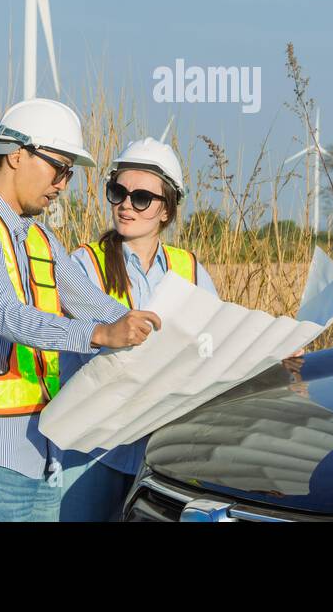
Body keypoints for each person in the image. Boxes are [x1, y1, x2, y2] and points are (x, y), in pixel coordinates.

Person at [0, 99, 161, 522]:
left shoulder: (40, 239)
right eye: (59, 168)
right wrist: (99, 336)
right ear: (17, 155)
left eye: (69, 173)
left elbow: (95, 305)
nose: (63, 184)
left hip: (43, 456)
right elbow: (7, 316)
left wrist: (163, 336)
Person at [58, 137, 218, 521]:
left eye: (142, 197)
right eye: (118, 192)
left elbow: (215, 341)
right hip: (90, 450)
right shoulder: (83, 265)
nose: (126, 204)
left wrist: (268, 355)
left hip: (157, 452)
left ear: (166, 210)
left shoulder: (189, 269)